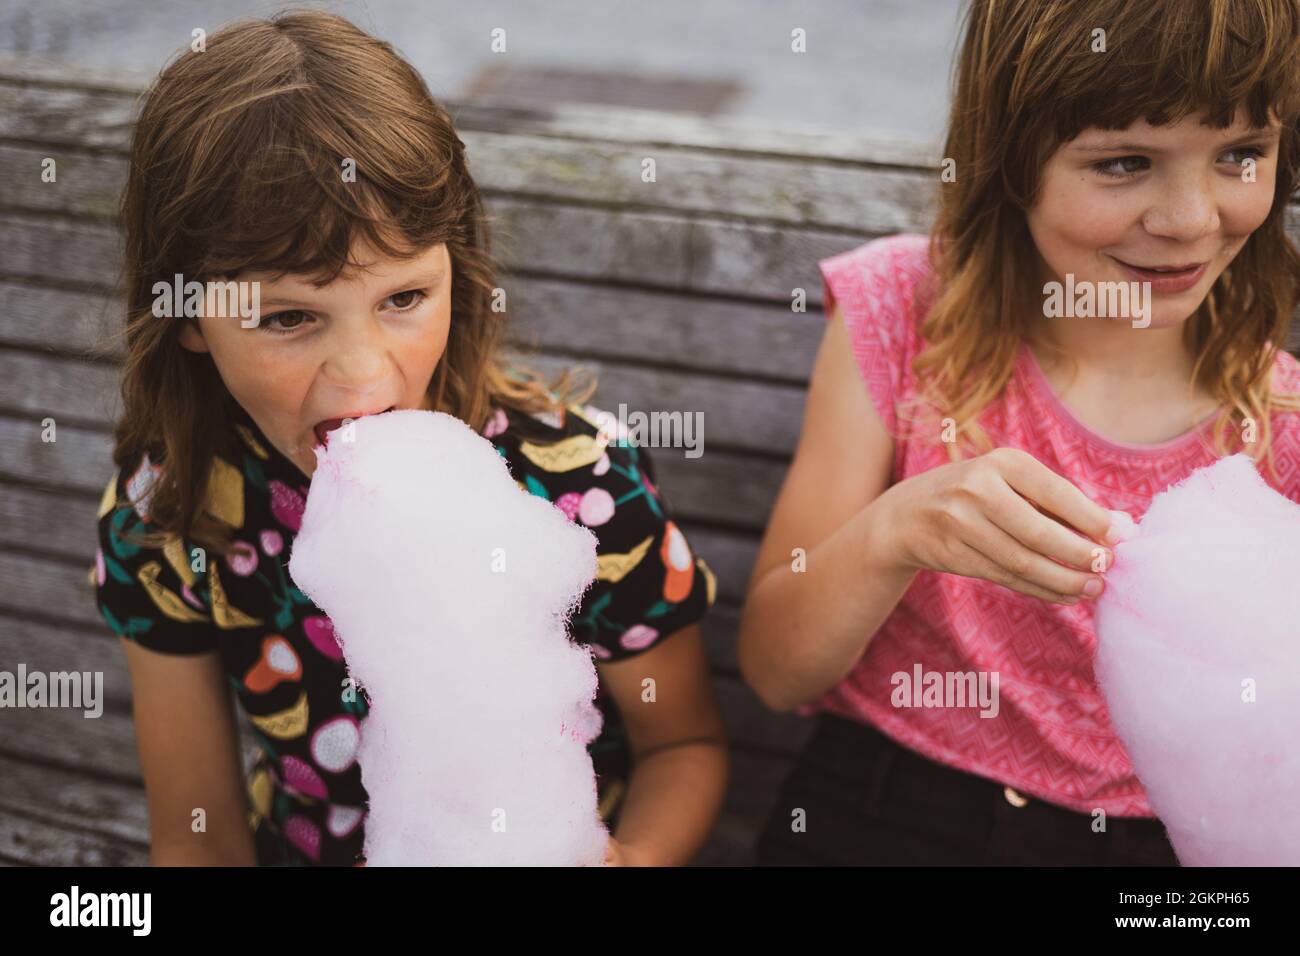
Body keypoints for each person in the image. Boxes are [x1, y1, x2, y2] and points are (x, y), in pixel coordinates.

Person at [92, 10, 727, 866]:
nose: (363, 376)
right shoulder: (167, 512)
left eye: (403, 299)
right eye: (287, 317)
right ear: (188, 320)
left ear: (455, 269)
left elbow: (683, 749)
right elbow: (196, 836)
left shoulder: (578, 488)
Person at [740, 0, 1300, 865]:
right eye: (1123, 162)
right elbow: (778, 672)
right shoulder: (902, 312)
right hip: (887, 800)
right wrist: (896, 531)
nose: (1190, 218)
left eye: (1240, 154)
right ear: (1010, 160)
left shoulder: (1283, 425)